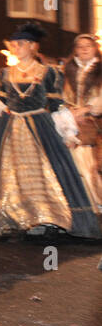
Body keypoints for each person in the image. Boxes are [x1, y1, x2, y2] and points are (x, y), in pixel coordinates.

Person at [0, 22, 101, 240]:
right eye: (14, 44)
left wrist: (68, 133)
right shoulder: (5, 73)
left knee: (45, 174)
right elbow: (3, 107)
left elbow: (58, 107)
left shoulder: (50, 73)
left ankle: (51, 218)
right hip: (10, 131)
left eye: (20, 43)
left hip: (41, 129)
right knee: (15, 176)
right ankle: (23, 218)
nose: (16, 47)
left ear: (32, 46)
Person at [61, 33, 102, 206]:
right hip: (69, 122)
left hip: (93, 123)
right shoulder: (68, 71)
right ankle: (77, 206)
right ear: (75, 51)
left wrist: (87, 110)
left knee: (89, 165)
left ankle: (95, 203)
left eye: (88, 45)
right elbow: (62, 96)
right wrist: (69, 112)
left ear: (95, 49)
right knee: (71, 164)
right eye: (80, 46)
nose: (84, 49)